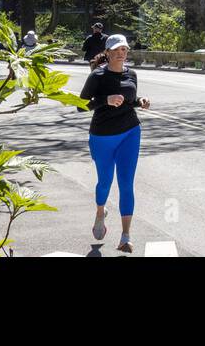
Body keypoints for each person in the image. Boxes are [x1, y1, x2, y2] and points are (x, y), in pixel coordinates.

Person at [79, 34, 150, 253]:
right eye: (117, 50)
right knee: (105, 182)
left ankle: (125, 236)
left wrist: (141, 102)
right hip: (102, 135)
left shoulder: (133, 74)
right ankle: (101, 211)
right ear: (108, 52)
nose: (121, 53)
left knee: (126, 183)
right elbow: (80, 105)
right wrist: (105, 100)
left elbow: (129, 101)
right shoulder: (97, 76)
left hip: (130, 131)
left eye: (124, 50)